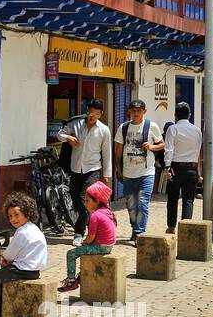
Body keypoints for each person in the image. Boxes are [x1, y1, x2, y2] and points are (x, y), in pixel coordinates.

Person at [56, 98, 112, 246]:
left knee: (84, 198)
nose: (93, 117)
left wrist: (107, 175)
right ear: (87, 111)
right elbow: (59, 134)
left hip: (92, 169)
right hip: (75, 168)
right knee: (75, 200)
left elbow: (107, 153)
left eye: (97, 114)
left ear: (101, 114)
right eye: (90, 113)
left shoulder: (104, 130)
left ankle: (79, 233)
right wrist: (68, 137)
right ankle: (92, 222)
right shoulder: (76, 124)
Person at [113, 98, 164, 242]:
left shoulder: (151, 126)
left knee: (142, 203)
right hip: (128, 173)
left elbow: (162, 144)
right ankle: (135, 228)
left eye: (139, 110)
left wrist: (152, 147)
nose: (136, 113)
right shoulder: (123, 128)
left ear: (144, 111)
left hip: (146, 173)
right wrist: (118, 169)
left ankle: (139, 233)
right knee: (131, 205)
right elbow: (118, 151)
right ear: (129, 111)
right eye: (133, 110)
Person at [58, 181, 116, 293]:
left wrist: (83, 243)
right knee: (83, 251)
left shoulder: (95, 216)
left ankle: (71, 281)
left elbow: (90, 237)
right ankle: (80, 275)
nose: (85, 203)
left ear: (97, 201)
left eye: (87, 200)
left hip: (101, 247)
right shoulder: (107, 212)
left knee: (71, 253)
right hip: (109, 245)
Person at [163, 102, 202, 234]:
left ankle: (171, 226)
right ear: (189, 115)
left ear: (175, 116)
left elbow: (169, 149)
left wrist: (167, 167)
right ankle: (186, 227)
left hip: (176, 167)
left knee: (173, 198)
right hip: (192, 167)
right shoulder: (197, 130)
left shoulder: (172, 129)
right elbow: (198, 150)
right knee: (189, 199)